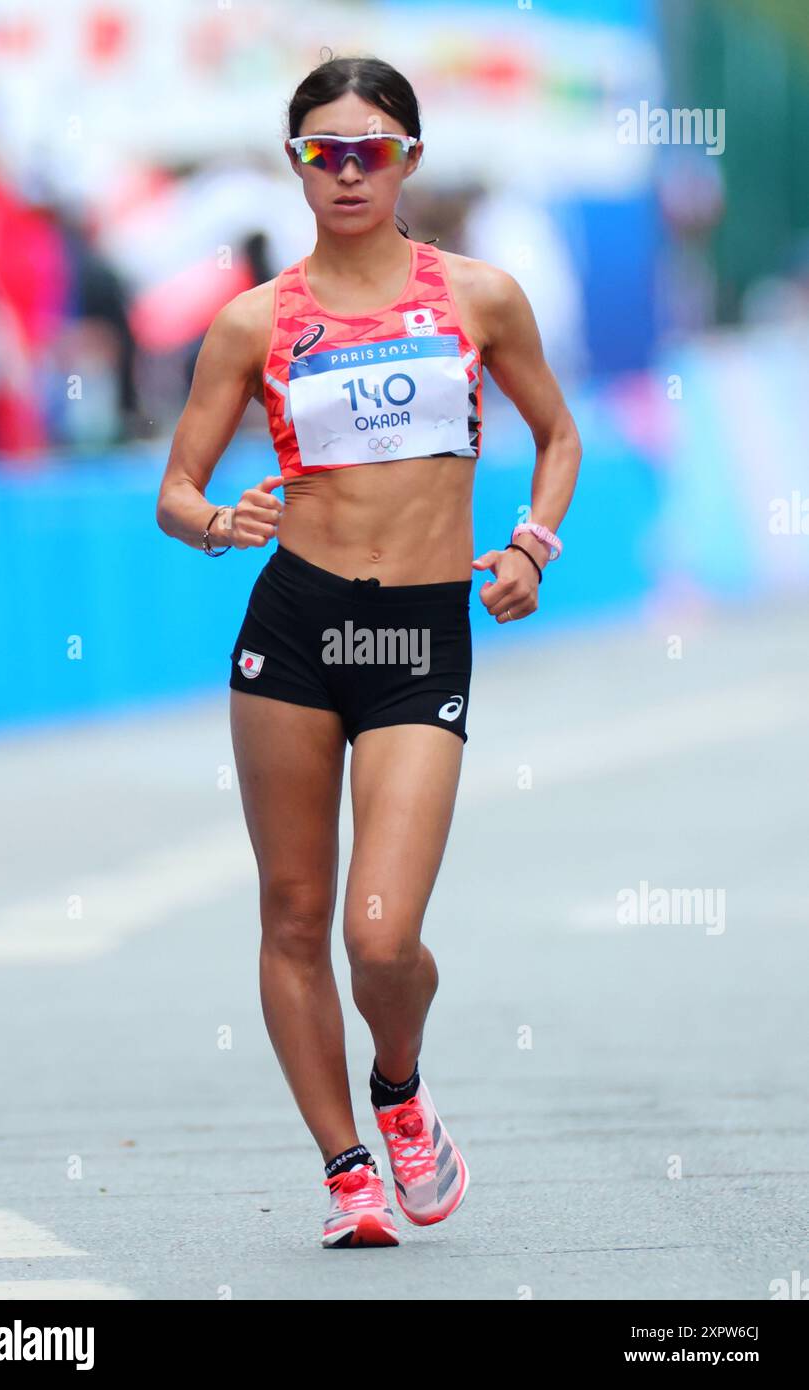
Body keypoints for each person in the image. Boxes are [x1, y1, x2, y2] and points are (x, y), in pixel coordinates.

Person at [157, 56, 581, 1249]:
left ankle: (398, 1080)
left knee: (378, 934)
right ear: (294, 165)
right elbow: (175, 490)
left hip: (415, 634)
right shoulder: (254, 321)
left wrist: (529, 548)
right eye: (321, 151)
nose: (346, 171)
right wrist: (214, 522)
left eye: (369, 149)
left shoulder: (480, 298)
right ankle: (346, 1168)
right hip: (293, 627)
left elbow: (557, 435)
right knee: (292, 914)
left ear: (408, 161)